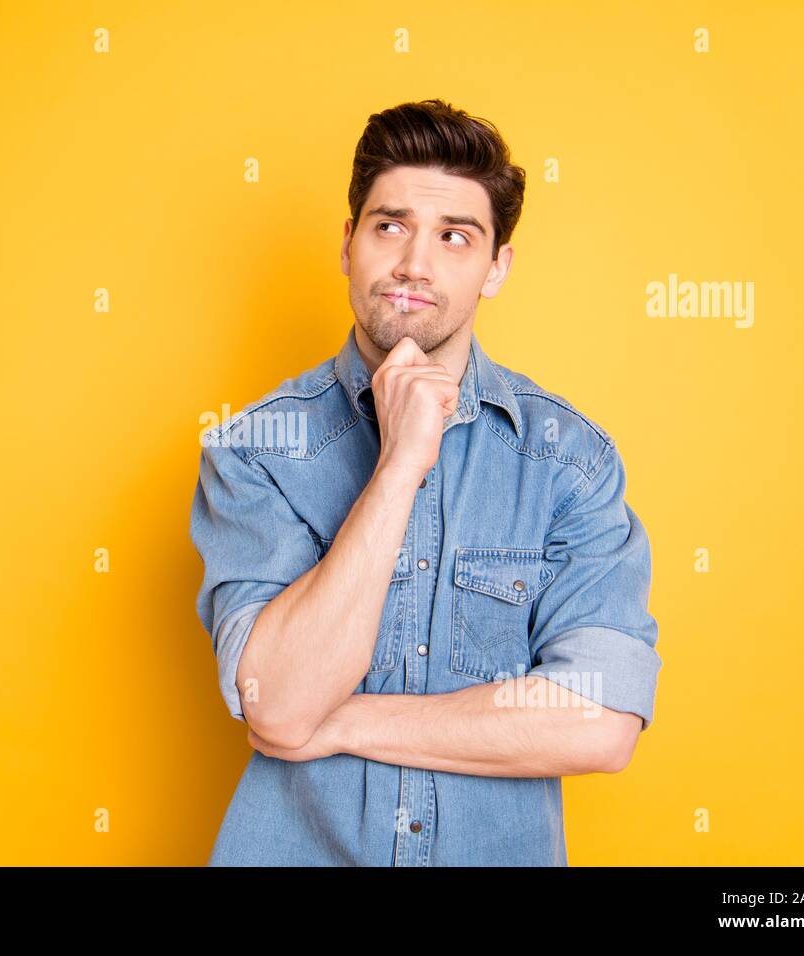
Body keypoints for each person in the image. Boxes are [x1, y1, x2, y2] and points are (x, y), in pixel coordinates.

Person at [189, 99, 661, 866]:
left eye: (454, 237)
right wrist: (400, 464)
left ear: (497, 266)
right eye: (389, 225)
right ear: (349, 245)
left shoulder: (570, 461)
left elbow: (600, 720)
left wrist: (339, 723)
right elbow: (275, 701)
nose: (414, 262)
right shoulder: (254, 451)